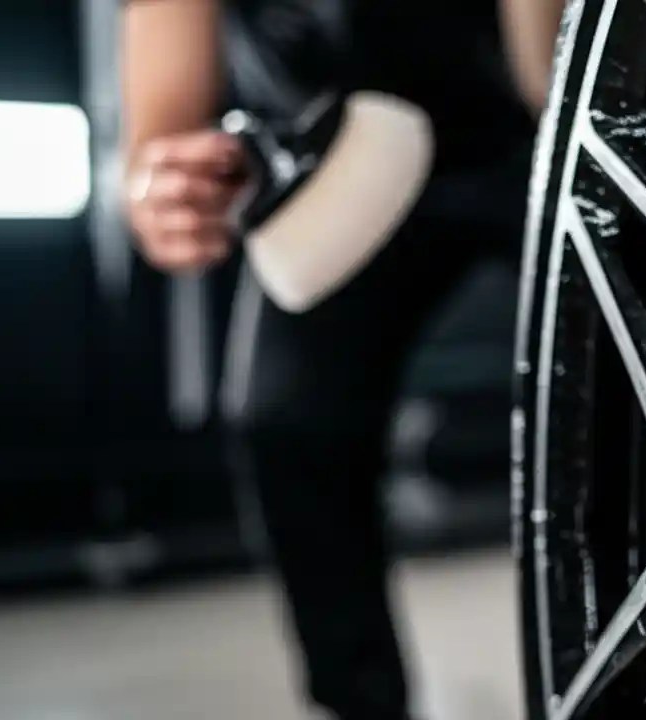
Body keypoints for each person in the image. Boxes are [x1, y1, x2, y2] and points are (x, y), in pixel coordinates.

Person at [120, 2, 562, 718]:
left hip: (522, 132)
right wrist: (164, 185)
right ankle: (358, 703)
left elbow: (551, 77)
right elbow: (159, 137)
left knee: (641, 369)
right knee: (285, 420)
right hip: (333, 157)